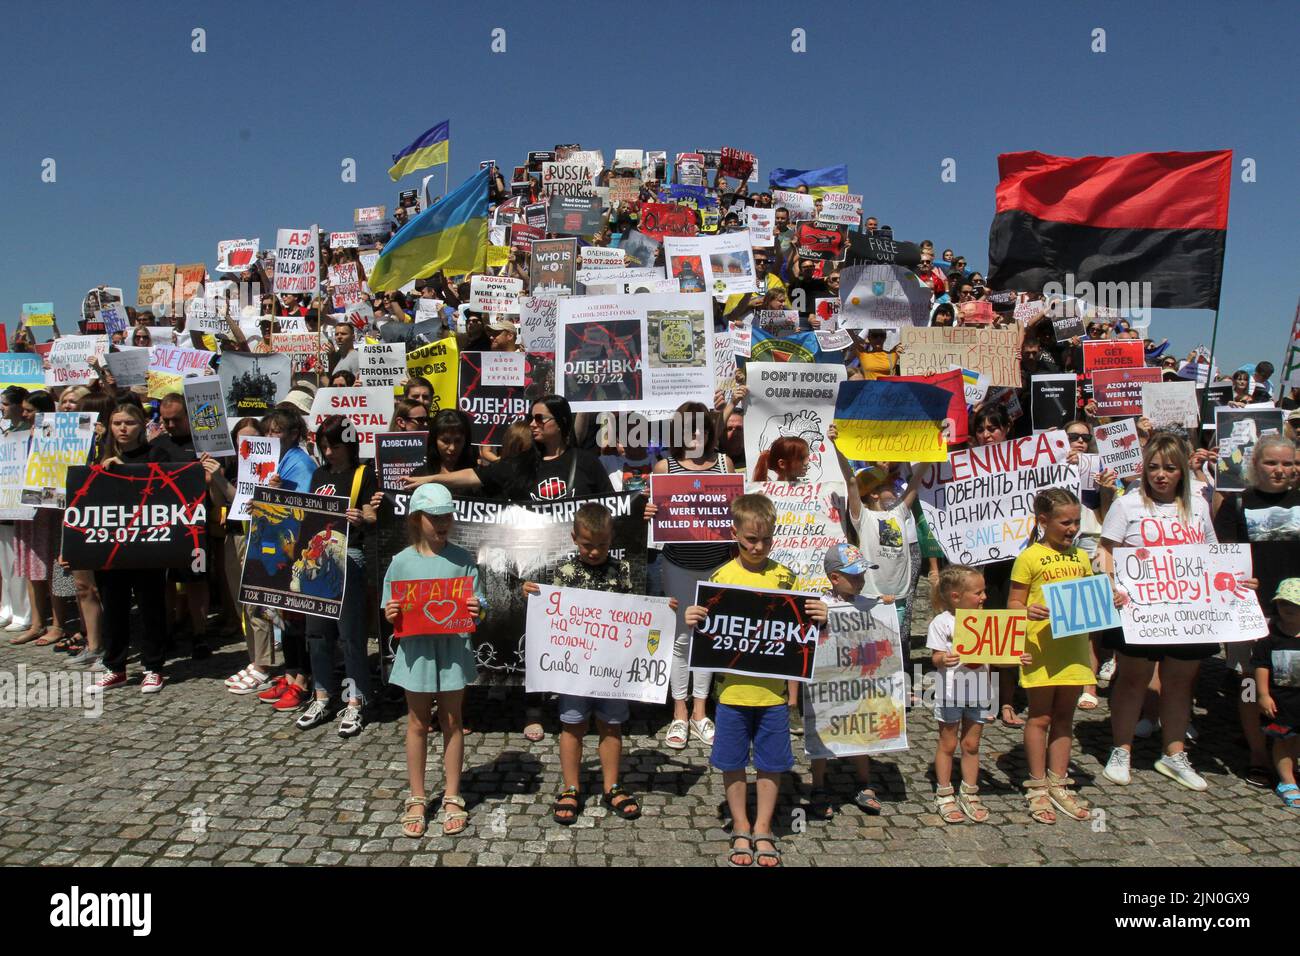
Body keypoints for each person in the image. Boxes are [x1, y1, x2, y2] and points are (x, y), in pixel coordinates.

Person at [1098, 434, 1253, 790]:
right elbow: (1107, 550)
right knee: (1133, 678)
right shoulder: (1127, 505)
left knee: (1180, 683)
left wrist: (1240, 582)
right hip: (1138, 611)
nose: (1161, 475)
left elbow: (1213, 554)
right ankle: (1121, 749)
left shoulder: (1197, 506)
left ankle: (1174, 752)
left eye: (1169, 468)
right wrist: (1112, 586)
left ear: (1182, 470)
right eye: (1153, 467)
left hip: (1188, 613)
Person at [683, 494, 828, 867]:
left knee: (771, 763)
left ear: (774, 536)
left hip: (773, 696)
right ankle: (741, 825)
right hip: (731, 692)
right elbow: (705, 632)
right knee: (732, 761)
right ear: (735, 534)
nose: (758, 546)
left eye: (765, 540)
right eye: (750, 539)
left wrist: (820, 615)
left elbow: (806, 632)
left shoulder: (787, 577)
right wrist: (694, 617)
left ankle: (763, 827)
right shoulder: (719, 578)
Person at [522, 504, 660, 825]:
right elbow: (550, 612)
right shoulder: (564, 573)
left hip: (612, 668)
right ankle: (571, 786)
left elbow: (637, 614)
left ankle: (611, 785)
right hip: (574, 669)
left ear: (612, 538)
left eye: (601, 544)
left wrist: (661, 611)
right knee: (571, 725)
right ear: (574, 538)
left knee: (611, 725)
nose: (595, 551)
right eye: (587, 545)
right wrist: (532, 594)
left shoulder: (622, 570)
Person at [384, 483, 485, 838]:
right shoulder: (400, 561)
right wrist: (392, 611)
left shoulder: (463, 559)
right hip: (417, 653)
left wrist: (477, 608)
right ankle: (417, 796)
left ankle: (453, 794)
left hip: (453, 651)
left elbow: (478, 606)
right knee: (416, 722)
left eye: (447, 515)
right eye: (434, 516)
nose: (442, 522)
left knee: (453, 721)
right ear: (416, 519)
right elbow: (389, 607)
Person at [1009, 489, 1115, 824]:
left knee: (1065, 718)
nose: (1072, 529)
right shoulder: (1028, 557)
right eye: (1064, 522)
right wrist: (1028, 609)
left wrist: (1110, 601)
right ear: (1043, 521)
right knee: (1040, 717)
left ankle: (1059, 782)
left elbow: (1090, 601)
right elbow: (1013, 604)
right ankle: (1037, 785)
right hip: (1041, 649)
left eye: (1076, 522)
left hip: (1072, 649)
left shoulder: (1080, 557)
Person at [642, 402, 736, 750]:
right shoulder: (666, 466)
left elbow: (737, 507)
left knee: (708, 637)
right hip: (678, 564)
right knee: (681, 638)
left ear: (711, 432)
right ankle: (679, 712)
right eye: (688, 427)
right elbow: (654, 515)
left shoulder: (726, 463)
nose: (695, 434)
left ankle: (701, 712)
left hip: (717, 565)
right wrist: (648, 510)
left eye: (701, 428)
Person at [1213, 433, 1300, 788]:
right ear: (1255, 465)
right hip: (1251, 609)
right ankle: (1258, 755)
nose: (1280, 470)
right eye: (1271, 462)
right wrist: (1239, 579)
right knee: (1251, 683)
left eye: (1288, 463)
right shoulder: (1237, 505)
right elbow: (1224, 558)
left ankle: (1291, 751)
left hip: (1296, 609)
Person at [295, 416, 381, 737]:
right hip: (318, 559)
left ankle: (355, 700)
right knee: (316, 633)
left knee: (350, 636)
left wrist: (362, 518)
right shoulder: (318, 474)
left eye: (335, 446)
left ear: (350, 445)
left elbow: (375, 515)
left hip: (349, 558)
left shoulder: (363, 474)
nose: (329, 452)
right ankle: (322, 695)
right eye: (324, 446)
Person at [86, 404, 172, 693]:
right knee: (113, 606)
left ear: (142, 425)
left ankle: (153, 666)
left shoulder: (157, 452)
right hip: (110, 543)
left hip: (147, 543)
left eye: (130, 423)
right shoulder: (99, 454)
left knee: (150, 605)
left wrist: (128, 471)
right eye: (117, 423)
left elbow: (169, 483)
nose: (123, 429)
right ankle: (115, 666)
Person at [805, 543, 886, 819]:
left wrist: (884, 608)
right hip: (827, 688)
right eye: (855, 576)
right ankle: (818, 786)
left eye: (863, 574)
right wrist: (822, 620)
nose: (861, 580)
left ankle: (864, 783)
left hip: (857, 685)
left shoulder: (867, 603)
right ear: (835, 578)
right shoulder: (820, 605)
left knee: (860, 732)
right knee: (821, 737)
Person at [256, 409, 318, 711]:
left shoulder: (301, 463)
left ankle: (302, 679)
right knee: (284, 615)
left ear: (294, 433)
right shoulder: (274, 460)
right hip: (276, 545)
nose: (271, 436)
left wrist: (278, 494)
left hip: (294, 549)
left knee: (297, 619)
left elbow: (304, 506)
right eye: (267, 431)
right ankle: (290, 671)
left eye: (276, 431)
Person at [926, 565, 995, 824]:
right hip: (950, 693)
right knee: (948, 743)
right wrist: (945, 658)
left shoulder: (987, 620)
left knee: (972, 745)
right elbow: (934, 658)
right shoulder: (941, 622)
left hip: (979, 691)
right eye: (978, 592)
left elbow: (999, 653)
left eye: (984, 591)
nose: (984, 597)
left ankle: (969, 791)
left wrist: (1016, 656)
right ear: (956, 597)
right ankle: (944, 792)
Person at [1252, 578, 1300, 811]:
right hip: (1281, 701)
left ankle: (1293, 770)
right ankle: (1286, 781)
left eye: (1295, 604)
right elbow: (1261, 666)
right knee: (1282, 739)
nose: (1289, 609)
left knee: (1297, 739)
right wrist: (1262, 694)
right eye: (1284, 604)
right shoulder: (1269, 637)